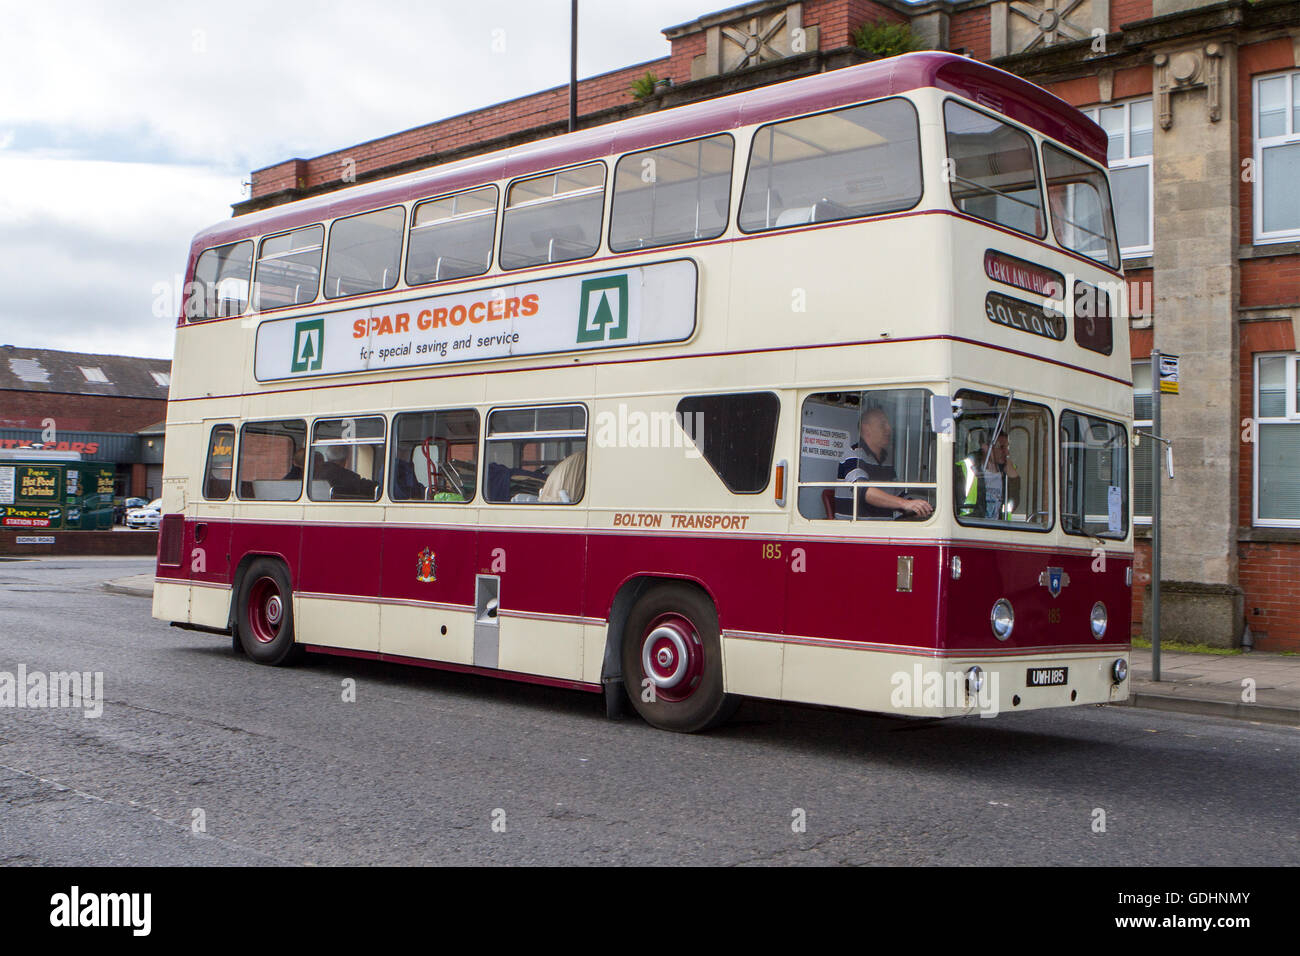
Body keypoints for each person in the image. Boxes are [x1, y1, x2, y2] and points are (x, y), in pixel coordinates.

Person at [835, 407, 933, 519]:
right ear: (866, 429)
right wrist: (905, 504)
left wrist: (919, 506)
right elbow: (862, 490)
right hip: (857, 532)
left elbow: (897, 495)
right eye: (883, 425)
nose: (889, 429)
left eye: (888, 425)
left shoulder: (886, 460)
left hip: (883, 530)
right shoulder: (853, 455)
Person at [956, 431, 1020, 520]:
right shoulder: (965, 468)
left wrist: (1014, 479)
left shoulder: (1008, 471)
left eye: (1007, 447)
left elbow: (1013, 505)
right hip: (970, 526)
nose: (1007, 453)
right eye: (1001, 447)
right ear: (985, 447)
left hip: (999, 529)